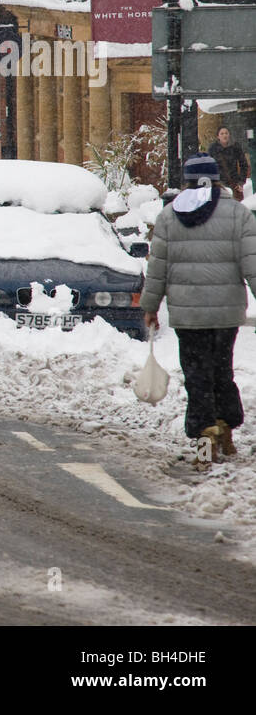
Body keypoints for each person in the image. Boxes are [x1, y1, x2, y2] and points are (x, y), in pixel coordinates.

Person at [141, 153, 256, 465]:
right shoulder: (238, 214)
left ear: (185, 182)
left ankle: (205, 440)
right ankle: (226, 430)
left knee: (197, 376)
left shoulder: (168, 217)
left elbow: (157, 269)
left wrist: (150, 306)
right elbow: (252, 265)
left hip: (188, 315)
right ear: (217, 180)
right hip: (226, 313)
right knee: (222, 370)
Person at [208, 125, 250, 198]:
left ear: (229, 134)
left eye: (226, 133)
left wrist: (241, 182)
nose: (224, 135)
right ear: (218, 136)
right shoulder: (213, 148)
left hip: (234, 182)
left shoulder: (235, 146)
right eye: (222, 133)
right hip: (219, 183)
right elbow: (208, 167)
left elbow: (243, 164)